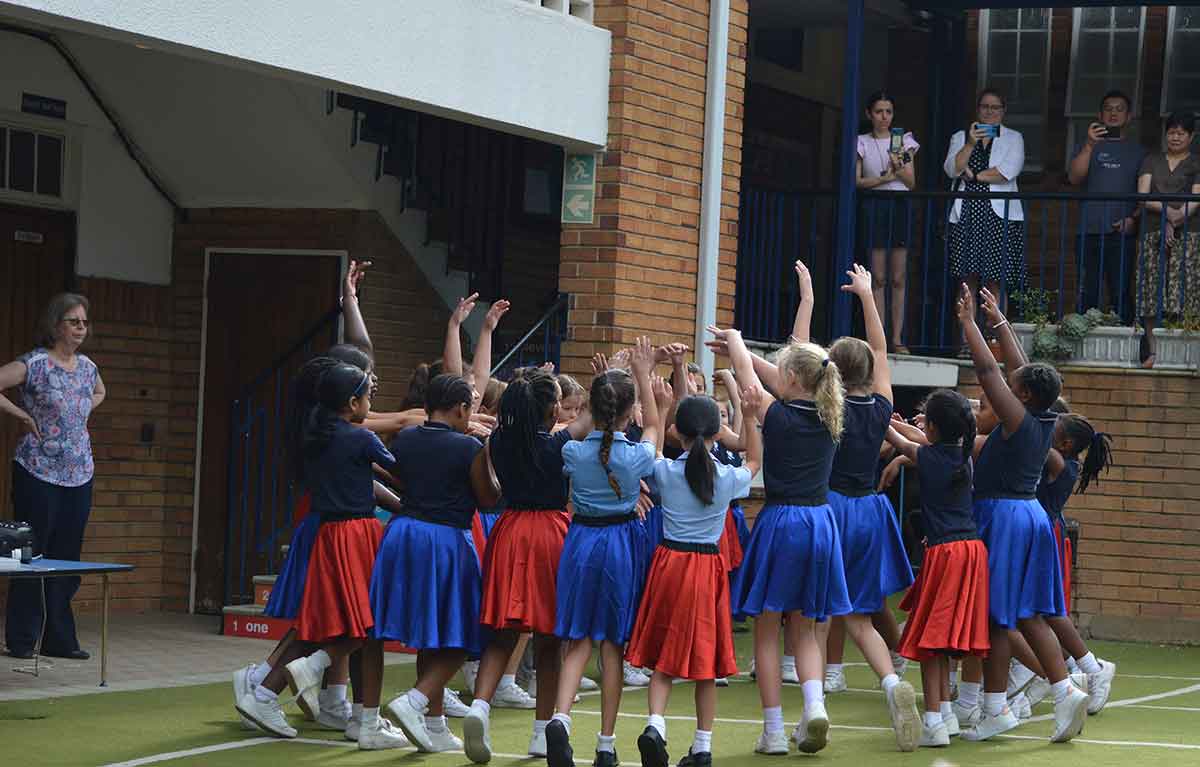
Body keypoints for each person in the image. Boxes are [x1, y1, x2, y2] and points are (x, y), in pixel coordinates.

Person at [236, 362, 401, 750]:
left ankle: (275, 693)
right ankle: (310, 680)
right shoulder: (360, 439)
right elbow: (399, 472)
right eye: (367, 395)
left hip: (327, 534)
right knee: (366, 623)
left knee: (322, 622)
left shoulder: (315, 435)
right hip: (358, 533)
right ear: (350, 401)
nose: (370, 402)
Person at [954, 284, 1090, 743]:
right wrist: (1000, 321)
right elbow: (1015, 366)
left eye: (1016, 387)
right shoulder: (1048, 415)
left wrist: (970, 323)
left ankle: (995, 707)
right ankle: (1062, 687)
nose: (1007, 387)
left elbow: (990, 368)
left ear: (1025, 396)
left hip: (1003, 516)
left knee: (995, 618)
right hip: (1030, 515)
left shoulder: (1019, 418)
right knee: (1025, 614)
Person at [704, 325, 849, 757]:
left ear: (789, 380)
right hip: (821, 523)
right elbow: (770, 375)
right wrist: (740, 349)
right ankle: (814, 704)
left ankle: (772, 730)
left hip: (783, 521)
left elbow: (750, 378)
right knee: (805, 630)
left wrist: (734, 340)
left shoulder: (777, 415)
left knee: (768, 630)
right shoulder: (830, 416)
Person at [462, 366, 596, 763]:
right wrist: (620, 373)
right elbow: (591, 417)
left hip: (510, 531)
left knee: (502, 633)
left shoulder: (500, 440)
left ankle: (479, 707)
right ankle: (541, 732)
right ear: (550, 408)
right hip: (551, 534)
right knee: (551, 639)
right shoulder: (558, 444)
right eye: (557, 399)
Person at [544, 338, 662, 767]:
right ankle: (606, 744)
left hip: (580, 542)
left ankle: (560, 719)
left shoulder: (573, 451)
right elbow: (653, 431)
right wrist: (646, 380)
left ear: (590, 405)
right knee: (612, 646)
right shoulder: (634, 457)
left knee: (576, 640)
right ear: (629, 412)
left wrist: (606, 382)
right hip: (618, 545)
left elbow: (588, 427)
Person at [628, 393, 762, 767]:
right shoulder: (725, 477)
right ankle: (702, 746)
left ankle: (656, 725)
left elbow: (652, 444)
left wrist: (656, 400)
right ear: (717, 433)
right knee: (708, 663)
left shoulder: (665, 472)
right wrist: (750, 418)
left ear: (679, 432)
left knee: (662, 660)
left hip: (670, 561)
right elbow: (753, 460)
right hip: (706, 567)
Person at [372, 373, 501, 753]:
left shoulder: (407, 438)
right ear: (461, 409)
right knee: (464, 635)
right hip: (445, 540)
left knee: (433, 632)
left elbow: (398, 477)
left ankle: (435, 721)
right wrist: (489, 451)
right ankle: (415, 700)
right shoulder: (468, 447)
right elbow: (488, 498)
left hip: (403, 533)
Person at [0, 293, 105, 661]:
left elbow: (99, 392)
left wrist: (82, 411)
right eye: (73, 322)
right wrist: (23, 416)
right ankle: (22, 638)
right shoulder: (37, 363)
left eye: (84, 323)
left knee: (66, 559)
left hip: (79, 474)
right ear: (56, 325)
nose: (80, 328)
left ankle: (59, 638)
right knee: (31, 556)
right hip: (38, 471)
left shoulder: (89, 367)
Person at [884, 390, 990, 748]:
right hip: (972, 552)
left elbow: (899, 442)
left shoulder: (929, 457)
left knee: (930, 641)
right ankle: (945, 713)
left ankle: (933, 721)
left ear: (932, 427)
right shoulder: (962, 456)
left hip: (945, 553)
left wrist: (874, 411)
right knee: (946, 641)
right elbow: (912, 439)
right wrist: (903, 427)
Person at [944, 88, 1027, 336]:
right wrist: (970, 144)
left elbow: (1006, 172)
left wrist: (974, 176)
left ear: (1003, 111)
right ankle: (966, 340)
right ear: (977, 110)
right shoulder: (961, 136)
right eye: (985, 107)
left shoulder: (1014, 138)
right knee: (966, 281)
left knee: (995, 281)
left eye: (995, 108)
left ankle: (994, 339)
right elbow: (952, 168)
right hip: (967, 213)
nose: (989, 112)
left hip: (998, 217)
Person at [1067, 90, 1145, 322]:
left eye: (1119, 109)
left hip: (1121, 232)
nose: (1113, 113)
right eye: (1108, 109)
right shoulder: (1088, 146)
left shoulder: (1138, 152)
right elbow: (1074, 178)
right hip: (1088, 230)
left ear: (1128, 117)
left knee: (1120, 292)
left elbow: (1147, 193)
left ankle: (1124, 351)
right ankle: (1082, 349)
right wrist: (1090, 145)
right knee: (1087, 291)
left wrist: (1134, 219)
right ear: (1100, 115)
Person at [1134, 113, 1200, 368]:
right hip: (1152, 230)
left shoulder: (1196, 162)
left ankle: (1182, 352)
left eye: (1181, 132)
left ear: (1191, 137)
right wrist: (1167, 215)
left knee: (1184, 288)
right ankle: (1153, 351)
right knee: (1151, 288)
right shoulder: (1151, 160)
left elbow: (1195, 200)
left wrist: (1175, 219)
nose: (1175, 136)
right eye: (1171, 131)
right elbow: (1141, 195)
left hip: (1190, 232)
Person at [857, 90, 919, 352]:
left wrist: (898, 163)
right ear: (869, 114)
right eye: (879, 111)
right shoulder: (861, 141)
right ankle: (878, 337)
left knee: (898, 276)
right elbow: (858, 181)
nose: (884, 117)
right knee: (878, 276)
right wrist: (883, 179)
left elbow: (910, 181)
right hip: (876, 205)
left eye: (889, 112)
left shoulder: (903, 141)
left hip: (899, 205)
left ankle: (897, 338)